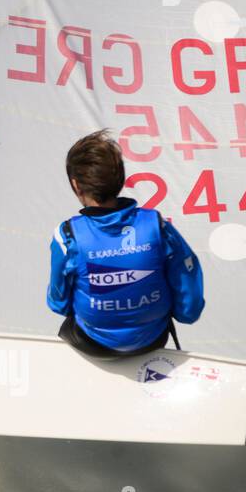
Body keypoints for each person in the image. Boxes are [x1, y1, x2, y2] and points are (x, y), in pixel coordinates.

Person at [47, 130, 204, 358]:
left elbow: (57, 302)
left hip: (93, 343)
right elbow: (188, 289)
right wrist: (185, 313)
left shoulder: (67, 235)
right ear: (120, 179)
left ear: (76, 185)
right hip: (153, 339)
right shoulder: (157, 226)